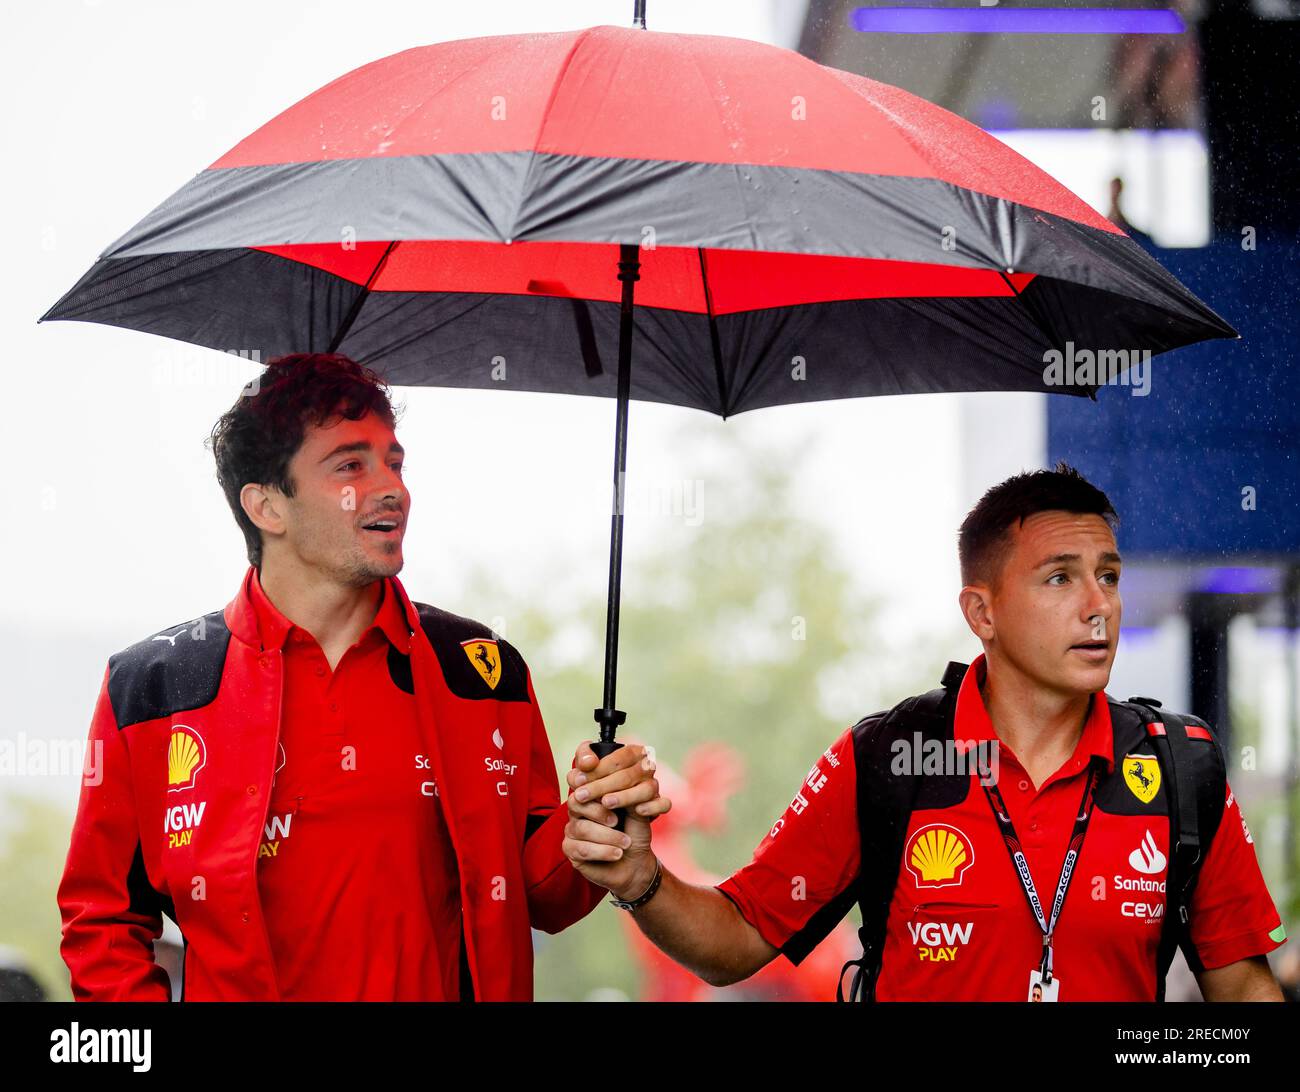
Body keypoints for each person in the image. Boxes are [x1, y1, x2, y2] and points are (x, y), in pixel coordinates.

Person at [57, 352, 663, 1001]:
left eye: (394, 462)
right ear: (266, 506)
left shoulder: (482, 669)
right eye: (351, 465)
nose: (392, 488)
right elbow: (102, 923)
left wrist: (595, 829)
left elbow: (542, 896)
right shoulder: (153, 687)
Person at [564, 464, 1288, 1001]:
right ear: (982, 613)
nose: (1099, 606)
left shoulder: (1177, 766)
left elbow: (1244, 996)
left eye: (1109, 575)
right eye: (1061, 579)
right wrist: (642, 879)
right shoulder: (886, 759)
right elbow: (732, 943)